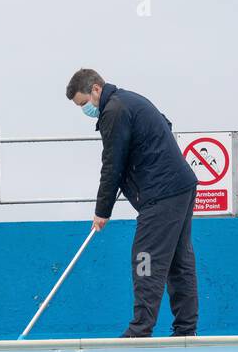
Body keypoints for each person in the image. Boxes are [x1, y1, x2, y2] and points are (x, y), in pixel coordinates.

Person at [66, 68, 199, 337]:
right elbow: (165, 125)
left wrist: (102, 211)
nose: (85, 110)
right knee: (178, 260)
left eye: (84, 103)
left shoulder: (113, 111)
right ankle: (186, 330)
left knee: (144, 257)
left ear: (95, 89)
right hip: (180, 186)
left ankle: (140, 330)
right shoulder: (130, 99)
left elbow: (112, 164)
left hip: (162, 193)